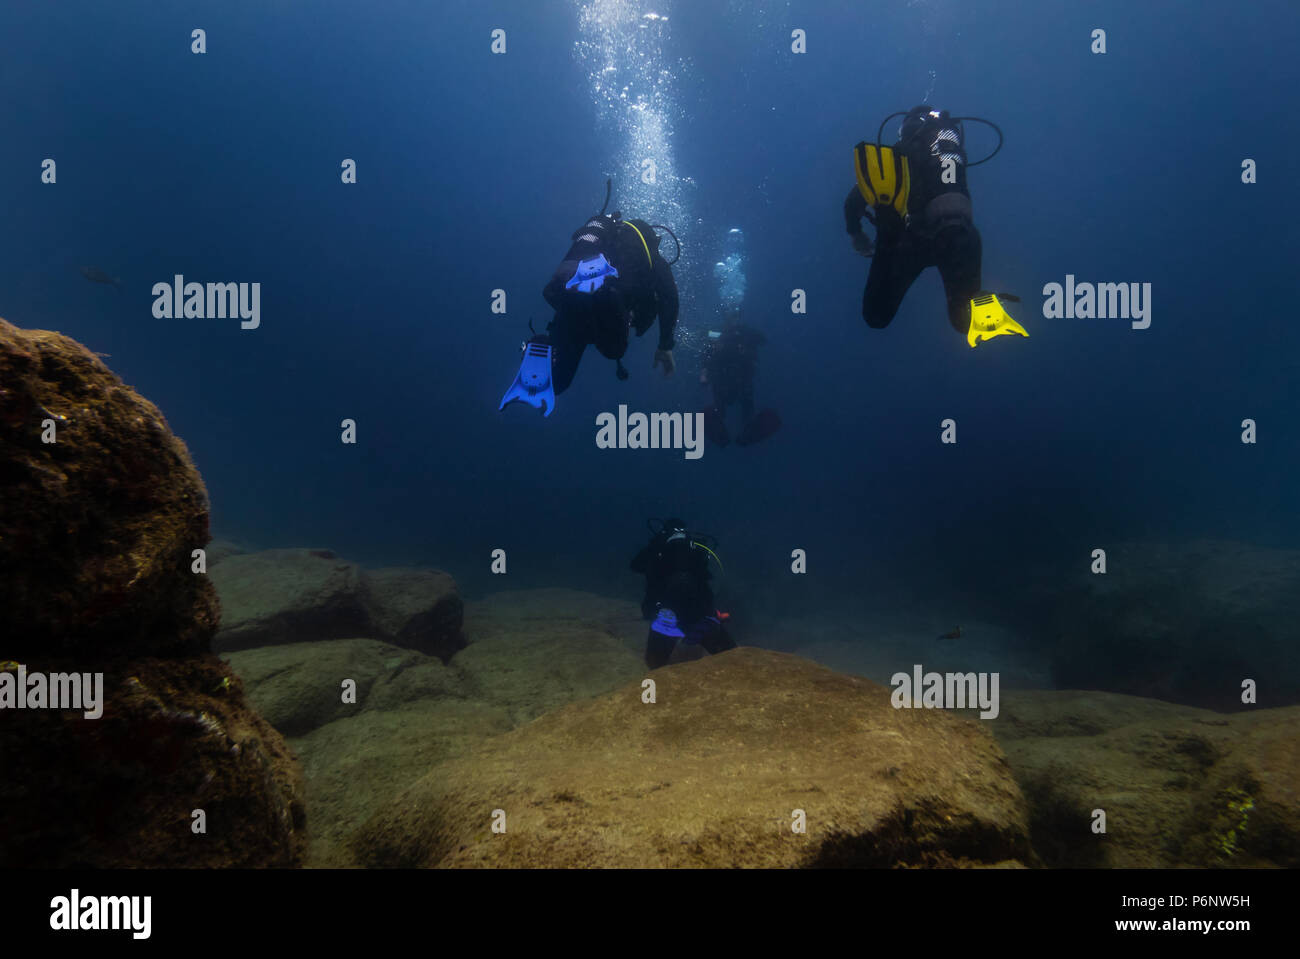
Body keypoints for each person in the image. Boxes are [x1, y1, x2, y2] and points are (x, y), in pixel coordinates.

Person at [844, 105, 1026, 346]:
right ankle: (981, 301)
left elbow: (853, 202)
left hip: (912, 242)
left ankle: (888, 234)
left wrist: (857, 233)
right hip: (960, 235)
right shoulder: (950, 153)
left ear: (906, 131)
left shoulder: (899, 155)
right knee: (964, 323)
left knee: (876, 316)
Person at [499, 185, 680, 416]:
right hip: (605, 308)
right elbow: (670, 298)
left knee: (557, 380)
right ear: (652, 239)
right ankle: (599, 295)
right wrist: (665, 345)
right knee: (613, 351)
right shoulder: (654, 258)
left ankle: (539, 345)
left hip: (572, 298)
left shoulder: (608, 238)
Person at [630, 519, 736, 669]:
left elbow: (636, 566)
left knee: (654, 664)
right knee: (732, 659)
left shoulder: (659, 547)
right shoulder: (696, 548)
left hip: (666, 612)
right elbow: (709, 578)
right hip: (698, 610)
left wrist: (655, 545)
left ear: (664, 531)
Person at [699, 310, 781, 447]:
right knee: (721, 408)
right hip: (723, 380)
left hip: (741, 380)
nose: (732, 320)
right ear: (725, 317)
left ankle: (745, 432)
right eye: (729, 316)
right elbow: (706, 356)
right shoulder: (717, 335)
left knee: (746, 408)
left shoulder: (745, 334)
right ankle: (727, 431)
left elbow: (763, 340)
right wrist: (704, 373)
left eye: (734, 316)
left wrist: (747, 337)